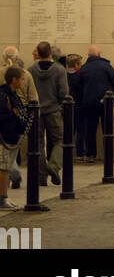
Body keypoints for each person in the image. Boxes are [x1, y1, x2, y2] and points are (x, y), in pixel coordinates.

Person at [76, 45, 114, 163]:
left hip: (89, 103)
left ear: (89, 56)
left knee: (90, 130)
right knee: (107, 130)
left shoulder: (84, 68)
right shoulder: (106, 66)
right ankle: (108, 155)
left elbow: (78, 86)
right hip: (105, 103)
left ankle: (91, 154)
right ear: (99, 55)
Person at [29, 40, 68, 184]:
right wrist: (60, 105)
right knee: (60, 140)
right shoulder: (59, 70)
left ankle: (41, 176)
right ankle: (53, 166)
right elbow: (64, 92)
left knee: (38, 144)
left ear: (38, 54)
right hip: (53, 110)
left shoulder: (31, 70)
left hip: (36, 110)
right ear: (50, 53)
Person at [0, 66, 29, 211]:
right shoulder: (4, 96)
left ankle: (4, 197)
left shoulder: (12, 94)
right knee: (3, 168)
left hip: (11, 136)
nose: (24, 81)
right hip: (4, 137)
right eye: (22, 79)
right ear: (14, 80)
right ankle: (1, 198)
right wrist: (16, 118)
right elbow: (4, 116)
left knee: (6, 167)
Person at [65, 54, 86, 161]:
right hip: (79, 105)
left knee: (68, 129)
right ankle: (79, 153)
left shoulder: (63, 75)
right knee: (80, 130)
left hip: (66, 106)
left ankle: (66, 152)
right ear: (76, 64)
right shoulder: (79, 76)